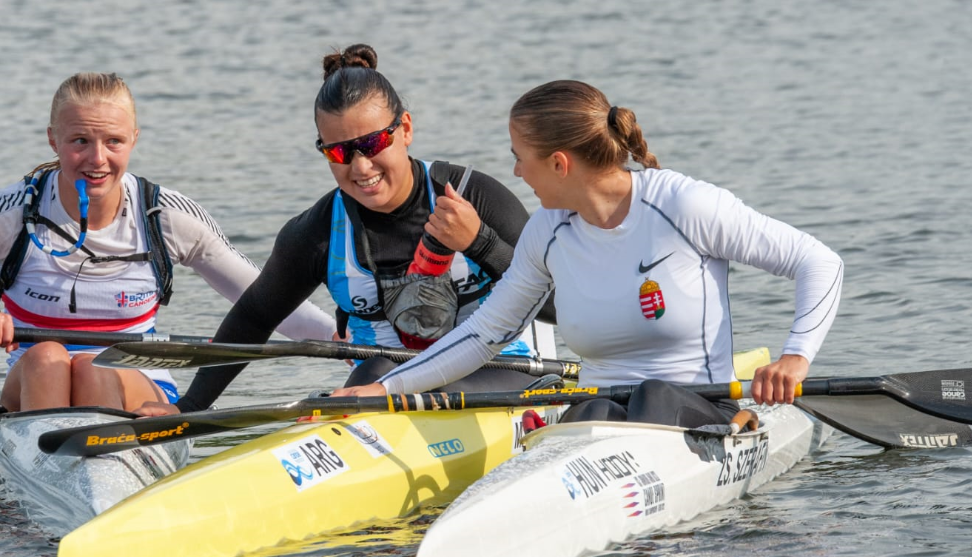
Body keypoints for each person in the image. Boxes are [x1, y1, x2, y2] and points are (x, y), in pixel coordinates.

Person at [332, 79, 843, 429]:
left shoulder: (681, 205)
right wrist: (389, 388)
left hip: (702, 413)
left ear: (558, 163)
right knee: (590, 410)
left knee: (651, 395)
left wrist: (795, 358)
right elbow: (484, 335)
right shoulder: (546, 234)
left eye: (519, 159)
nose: (515, 174)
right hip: (601, 425)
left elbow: (819, 262)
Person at [0, 72, 336, 413]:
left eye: (113, 141)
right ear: (52, 140)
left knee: (92, 364)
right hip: (33, 374)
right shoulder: (12, 213)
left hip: (134, 377)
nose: (97, 159)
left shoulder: (166, 216)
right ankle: (70, 486)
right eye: (79, 141)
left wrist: (347, 339)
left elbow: (267, 300)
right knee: (48, 355)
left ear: (133, 139)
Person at [136, 44, 555, 416]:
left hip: (496, 371)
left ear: (405, 129)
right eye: (338, 151)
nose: (360, 167)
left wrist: (479, 243)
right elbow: (254, 316)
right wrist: (186, 408)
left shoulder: (474, 196)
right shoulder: (317, 231)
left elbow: (559, 309)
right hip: (380, 378)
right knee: (376, 371)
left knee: (416, 388)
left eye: (372, 144)